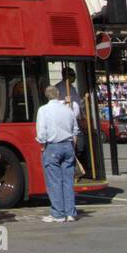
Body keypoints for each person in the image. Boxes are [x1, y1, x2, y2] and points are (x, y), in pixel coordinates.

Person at [36, 84, 79, 223]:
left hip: (52, 146)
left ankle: (58, 214)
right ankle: (70, 212)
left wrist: (42, 145)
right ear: (58, 95)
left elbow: (41, 132)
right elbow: (75, 130)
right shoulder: (67, 110)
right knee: (68, 181)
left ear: (46, 96)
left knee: (54, 181)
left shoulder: (43, 110)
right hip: (68, 146)